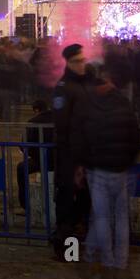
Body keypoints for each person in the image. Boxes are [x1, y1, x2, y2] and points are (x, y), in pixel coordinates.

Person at [73, 60, 140, 279]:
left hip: (98, 169)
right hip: (121, 169)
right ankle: (119, 265)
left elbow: (84, 138)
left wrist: (82, 165)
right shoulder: (124, 103)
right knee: (120, 218)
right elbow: (134, 138)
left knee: (101, 218)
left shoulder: (90, 105)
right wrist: (128, 160)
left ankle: (106, 263)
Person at [50, 43, 98, 261]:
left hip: (86, 154)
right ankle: (66, 252)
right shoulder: (63, 88)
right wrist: (75, 161)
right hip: (70, 157)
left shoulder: (85, 83)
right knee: (68, 206)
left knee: (82, 204)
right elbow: (64, 127)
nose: (82, 65)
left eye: (83, 61)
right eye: (78, 62)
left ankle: (78, 247)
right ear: (68, 63)